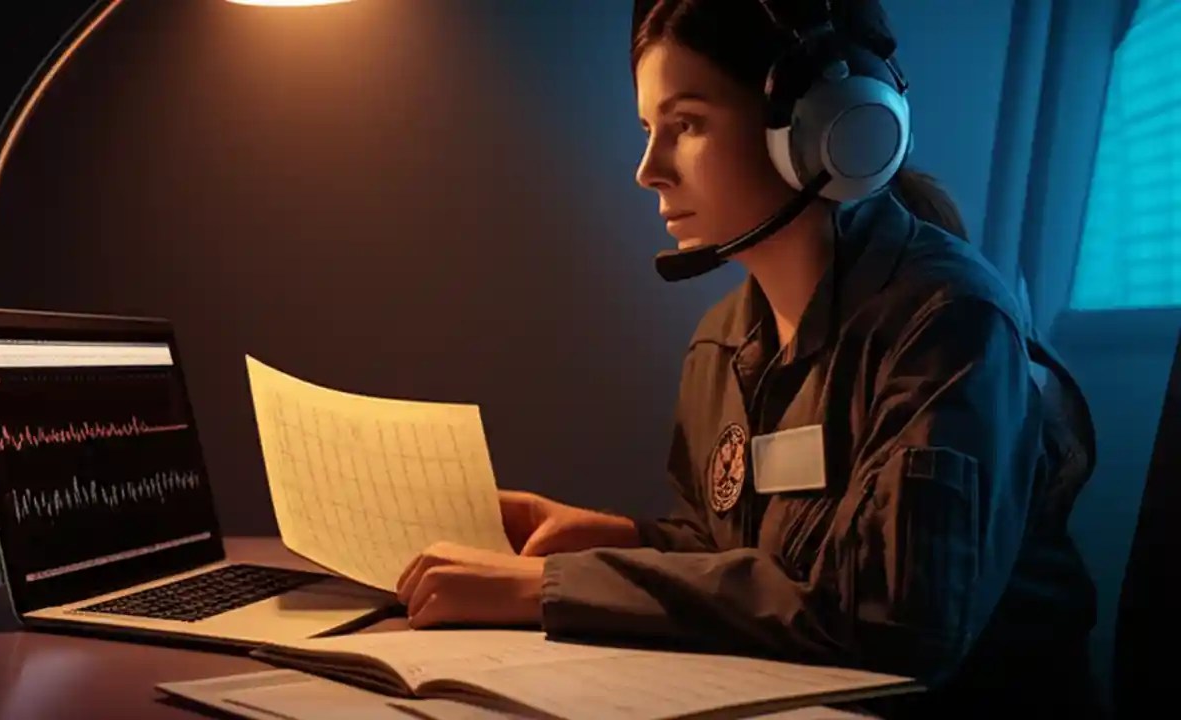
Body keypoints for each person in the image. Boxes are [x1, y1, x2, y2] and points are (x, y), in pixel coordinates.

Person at [396, 0, 1101, 716]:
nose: (649, 169)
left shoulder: (949, 325)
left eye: (688, 124)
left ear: (823, 129)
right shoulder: (722, 340)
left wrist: (549, 590)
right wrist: (615, 539)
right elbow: (741, 553)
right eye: (648, 129)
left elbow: (896, 621)